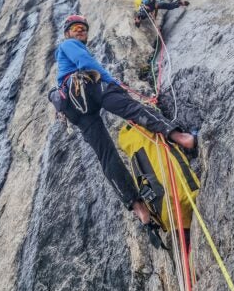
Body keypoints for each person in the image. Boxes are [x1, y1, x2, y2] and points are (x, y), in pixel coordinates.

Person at [49, 14, 196, 225]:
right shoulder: (69, 45)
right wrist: (112, 84)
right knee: (129, 107)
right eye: (75, 28)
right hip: (83, 88)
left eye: (83, 28)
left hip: (74, 109)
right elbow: (86, 63)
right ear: (67, 33)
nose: (80, 30)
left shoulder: (63, 58)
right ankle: (180, 137)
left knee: (105, 155)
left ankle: (138, 207)